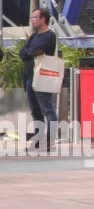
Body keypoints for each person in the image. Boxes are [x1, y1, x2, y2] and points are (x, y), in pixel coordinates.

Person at [20, 8, 58, 148]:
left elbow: (34, 51)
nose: (32, 20)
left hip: (42, 76)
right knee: (35, 110)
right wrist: (29, 52)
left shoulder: (49, 35)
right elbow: (23, 52)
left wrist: (29, 52)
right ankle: (38, 139)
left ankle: (50, 140)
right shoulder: (34, 36)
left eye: (35, 17)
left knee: (47, 109)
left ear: (43, 19)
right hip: (29, 75)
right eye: (32, 17)